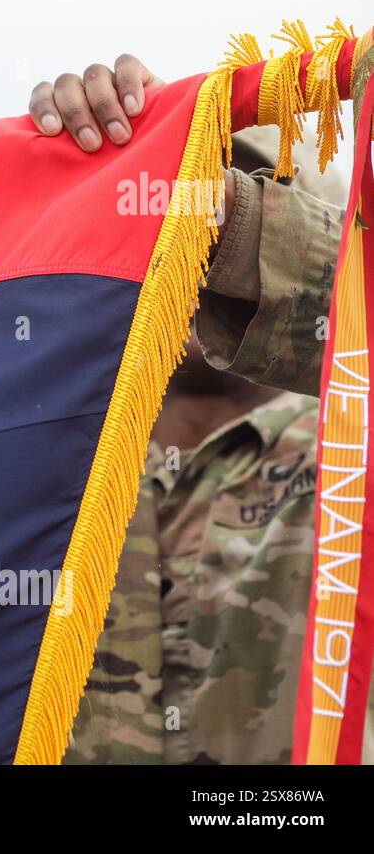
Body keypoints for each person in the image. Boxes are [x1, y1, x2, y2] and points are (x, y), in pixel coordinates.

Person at [31, 54, 370, 762]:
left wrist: (234, 225)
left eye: (245, 189)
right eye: (147, 206)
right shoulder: (24, 471)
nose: (174, 234)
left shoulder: (353, 459)